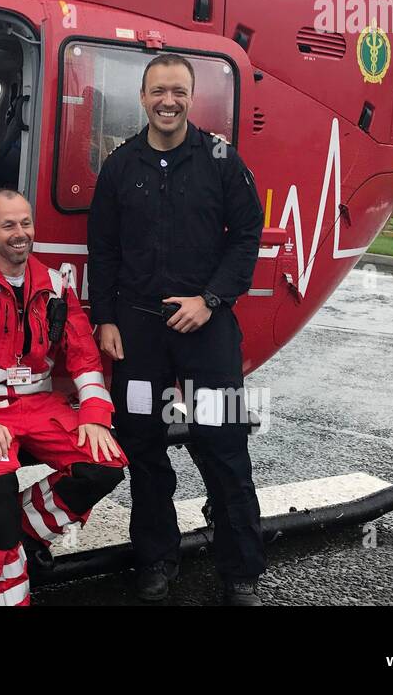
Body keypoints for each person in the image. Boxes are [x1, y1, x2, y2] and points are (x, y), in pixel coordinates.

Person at [87, 52, 267, 606]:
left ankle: (240, 570)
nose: (169, 101)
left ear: (192, 97)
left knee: (224, 444)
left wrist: (211, 300)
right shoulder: (120, 166)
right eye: (158, 91)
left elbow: (246, 235)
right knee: (143, 447)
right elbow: (104, 249)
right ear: (143, 98)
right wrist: (106, 318)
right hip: (141, 337)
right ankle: (155, 560)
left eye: (179, 91)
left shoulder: (220, 157)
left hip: (207, 332)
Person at [0, 188, 126, 606]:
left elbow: (82, 356)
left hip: (40, 405)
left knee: (104, 466)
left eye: (25, 222)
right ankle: (5, 595)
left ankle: (21, 528)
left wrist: (96, 416)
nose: (20, 233)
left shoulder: (55, 283)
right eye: (8, 225)